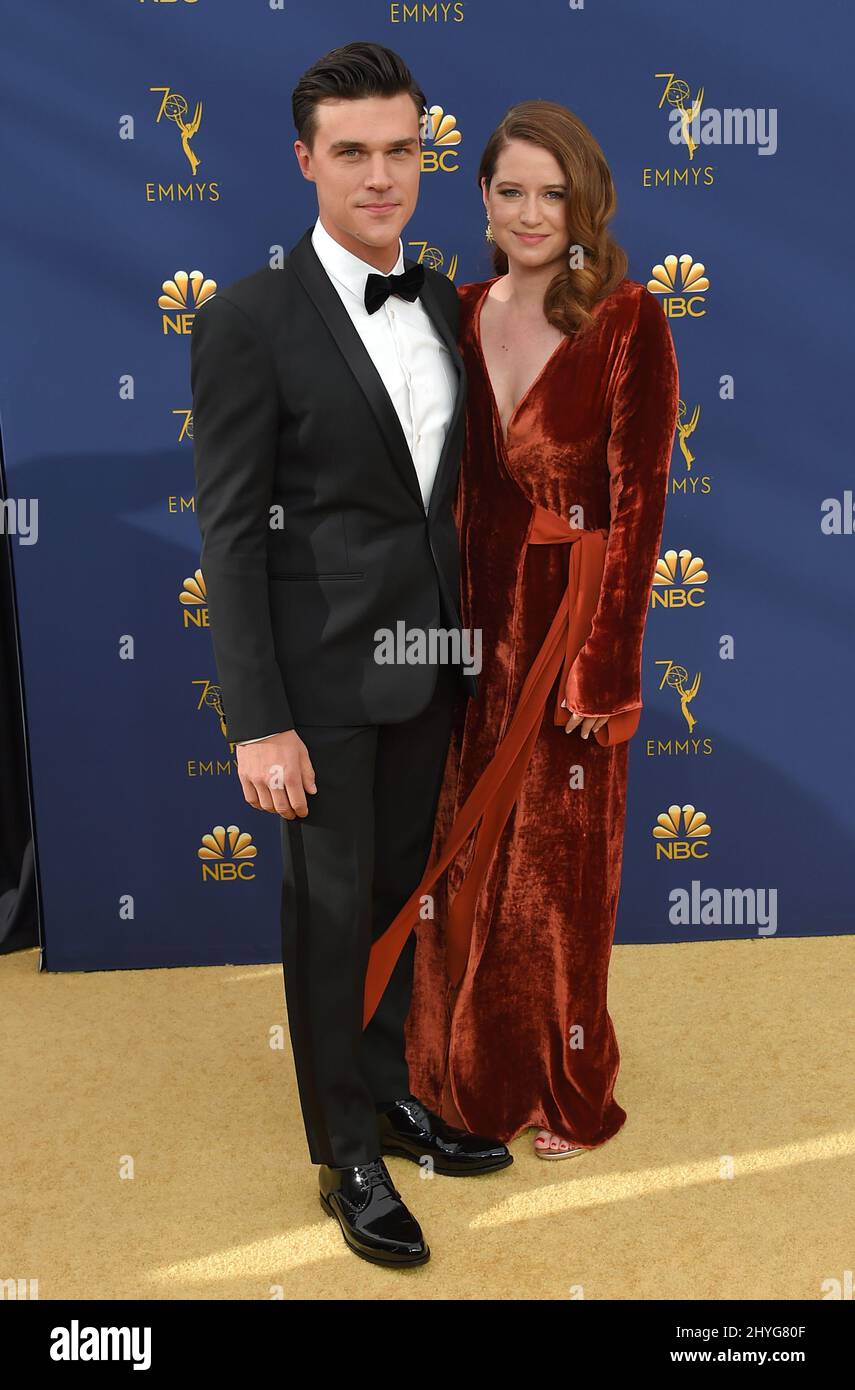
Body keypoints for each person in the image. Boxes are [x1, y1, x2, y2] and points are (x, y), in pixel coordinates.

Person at [189, 42, 512, 1270]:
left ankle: (389, 1094)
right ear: (305, 161)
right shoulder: (247, 320)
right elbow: (227, 532)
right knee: (328, 918)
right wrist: (254, 719)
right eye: (352, 153)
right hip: (316, 686)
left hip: (429, 661)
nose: (381, 176)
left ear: (423, 152)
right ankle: (346, 1153)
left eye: (400, 150)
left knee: (395, 902)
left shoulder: (440, 302)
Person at [364, 100, 679, 1160]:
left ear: (583, 201)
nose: (532, 211)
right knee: (467, 860)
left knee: (561, 868)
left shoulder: (629, 318)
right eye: (511, 190)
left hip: (569, 626)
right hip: (469, 626)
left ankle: (567, 1081)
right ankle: (460, 1075)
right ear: (484, 200)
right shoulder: (455, 310)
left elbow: (641, 507)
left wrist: (608, 665)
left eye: (554, 191)